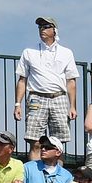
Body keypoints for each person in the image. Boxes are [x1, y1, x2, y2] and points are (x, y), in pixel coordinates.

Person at [15, 16, 77, 151]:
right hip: (36, 97)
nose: (42, 29)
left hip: (59, 97)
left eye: (46, 26)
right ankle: (35, 166)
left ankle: (56, 166)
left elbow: (71, 80)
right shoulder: (28, 51)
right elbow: (22, 79)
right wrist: (17, 104)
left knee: (58, 145)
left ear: (55, 30)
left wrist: (72, 106)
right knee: (35, 142)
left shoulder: (66, 53)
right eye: (40, 27)